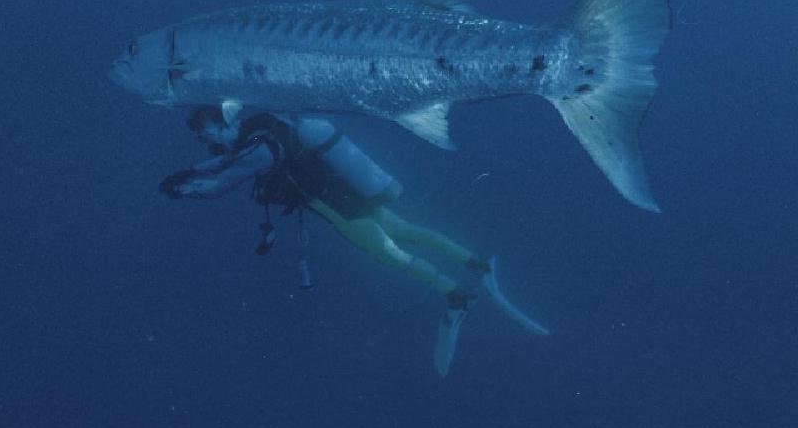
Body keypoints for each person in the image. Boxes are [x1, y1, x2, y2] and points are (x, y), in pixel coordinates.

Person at [161, 107, 549, 376]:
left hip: (335, 204)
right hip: (348, 190)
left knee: (387, 252)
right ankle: (477, 263)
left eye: (204, 133)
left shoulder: (259, 146)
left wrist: (186, 190)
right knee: (404, 230)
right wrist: (190, 170)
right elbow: (230, 161)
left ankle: (456, 295)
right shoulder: (262, 132)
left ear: (221, 122)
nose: (203, 140)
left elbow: (228, 179)